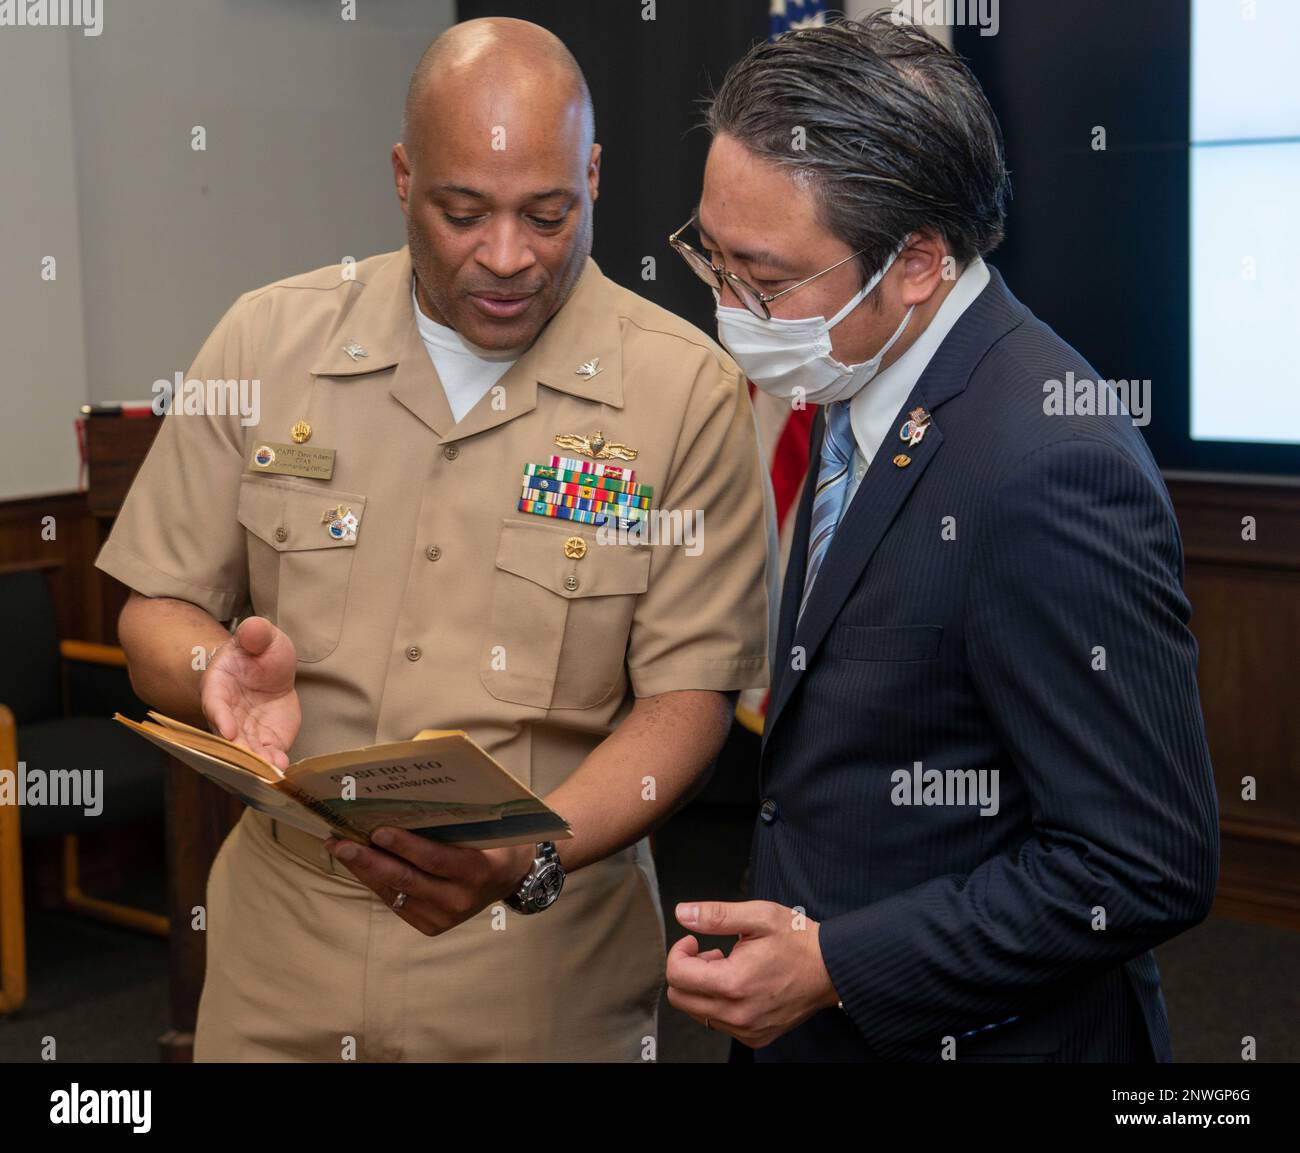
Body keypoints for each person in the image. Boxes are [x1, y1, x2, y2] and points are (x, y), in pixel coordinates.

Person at [96, 17, 769, 1061]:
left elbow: (690, 701)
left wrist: (527, 856)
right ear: (404, 177)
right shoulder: (267, 342)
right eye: (462, 213)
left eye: (549, 214)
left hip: (539, 960)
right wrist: (213, 673)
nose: (507, 259)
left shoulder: (687, 394)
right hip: (283, 947)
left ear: (594, 175)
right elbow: (154, 608)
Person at [665, 14, 1219, 1062]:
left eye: (765, 279)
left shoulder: (1050, 465)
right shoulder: (856, 362)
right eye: (713, 256)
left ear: (915, 263)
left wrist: (838, 963)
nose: (731, 309)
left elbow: (1142, 862)